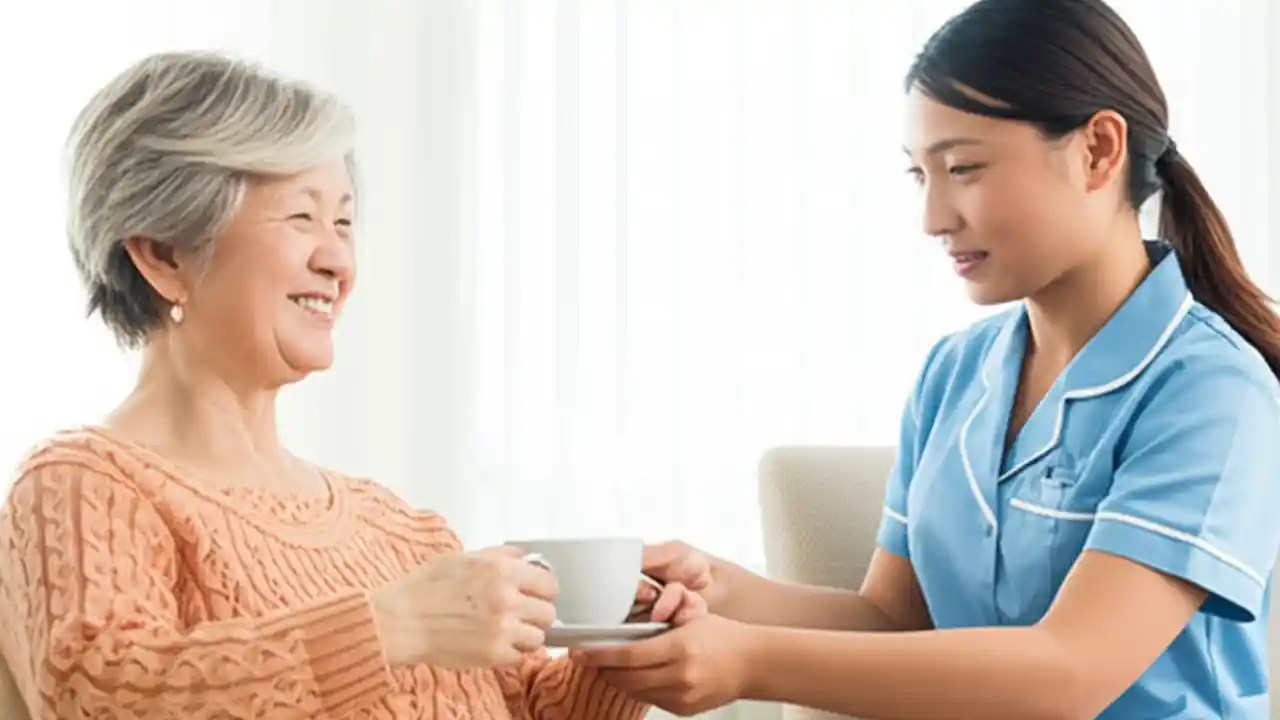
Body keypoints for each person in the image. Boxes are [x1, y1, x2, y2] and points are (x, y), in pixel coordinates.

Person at [576, 0, 1280, 717]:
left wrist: (749, 660)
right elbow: (894, 622)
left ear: (1098, 149)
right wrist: (724, 592)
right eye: (921, 175)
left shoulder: (1213, 390)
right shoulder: (954, 376)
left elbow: (1067, 674)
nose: (934, 218)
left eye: (964, 168)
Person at [0, 52, 701, 719]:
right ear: (163, 254)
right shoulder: (87, 482)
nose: (338, 258)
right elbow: (96, 695)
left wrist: (617, 652)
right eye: (302, 216)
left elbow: (517, 706)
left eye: (343, 220)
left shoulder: (401, 530)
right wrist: (392, 625)